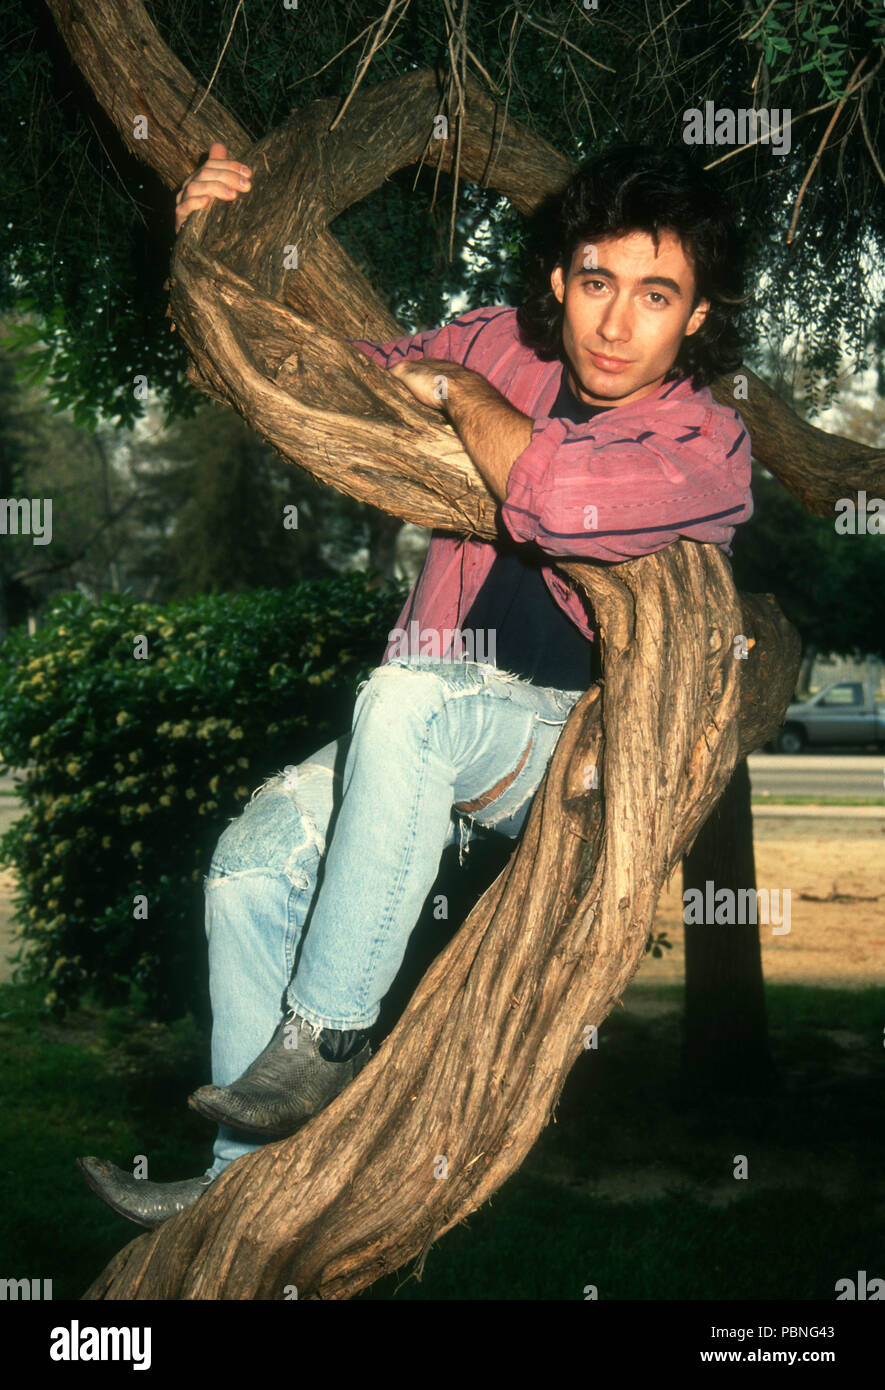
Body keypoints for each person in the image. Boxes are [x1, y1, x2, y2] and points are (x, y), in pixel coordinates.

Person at [78, 141, 753, 1227]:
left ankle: (329, 1033)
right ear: (558, 280)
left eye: (655, 295)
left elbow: (548, 495)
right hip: (432, 724)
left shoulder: (706, 444)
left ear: (698, 316)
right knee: (247, 868)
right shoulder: (496, 342)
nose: (615, 324)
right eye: (595, 283)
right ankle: (233, 1189)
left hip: (560, 754)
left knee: (410, 702)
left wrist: (458, 389)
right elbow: (320, 374)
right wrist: (210, 251)